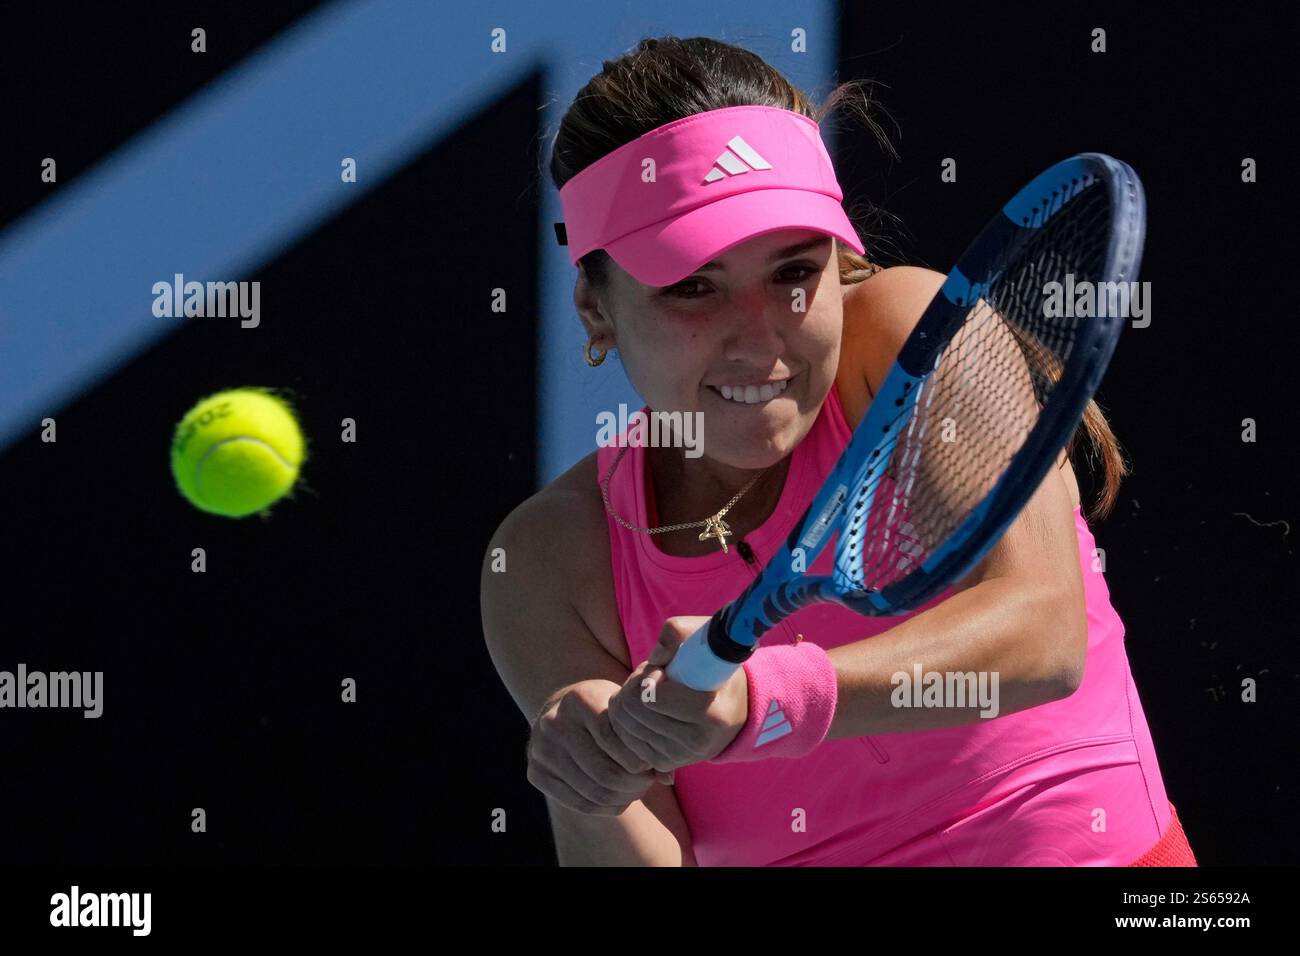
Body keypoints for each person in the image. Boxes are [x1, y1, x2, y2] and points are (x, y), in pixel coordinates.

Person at [480, 35, 1195, 867]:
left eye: (794, 270)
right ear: (596, 310)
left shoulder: (911, 333)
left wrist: (766, 699)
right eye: (692, 287)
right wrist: (591, 778)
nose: (760, 339)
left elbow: (1044, 633)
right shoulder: (546, 562)